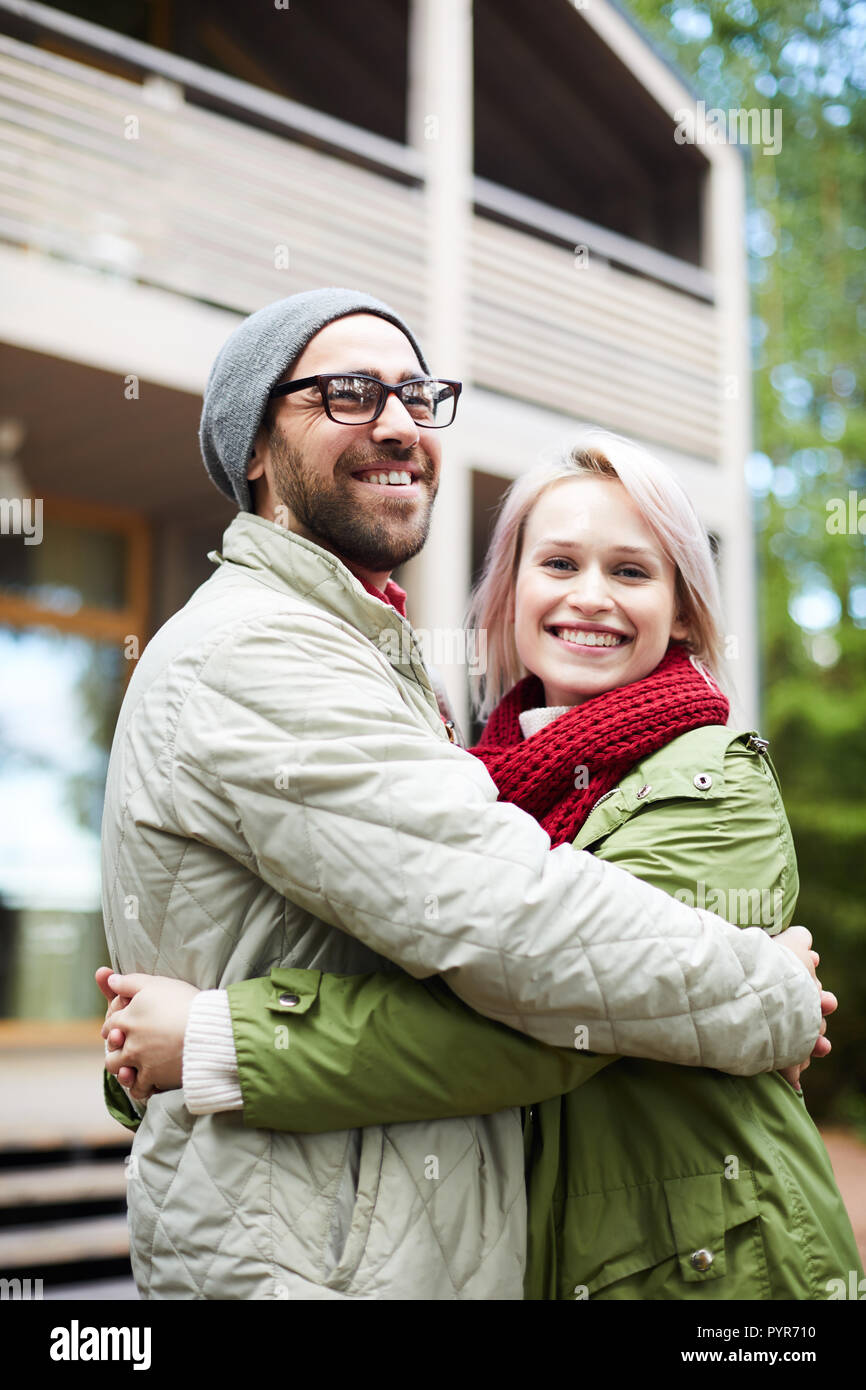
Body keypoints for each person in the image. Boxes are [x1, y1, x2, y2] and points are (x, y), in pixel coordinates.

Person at [98, 289, 829, 1301]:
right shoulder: (268, 652)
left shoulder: (686, 773)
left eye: (414, 394)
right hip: (315, 1260)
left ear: (684, 606)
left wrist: (215, 1038)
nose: (397, 422)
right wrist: (768, 989)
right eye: (349, 392)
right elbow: (519, 933)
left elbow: (531, 996)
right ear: (255, 448)